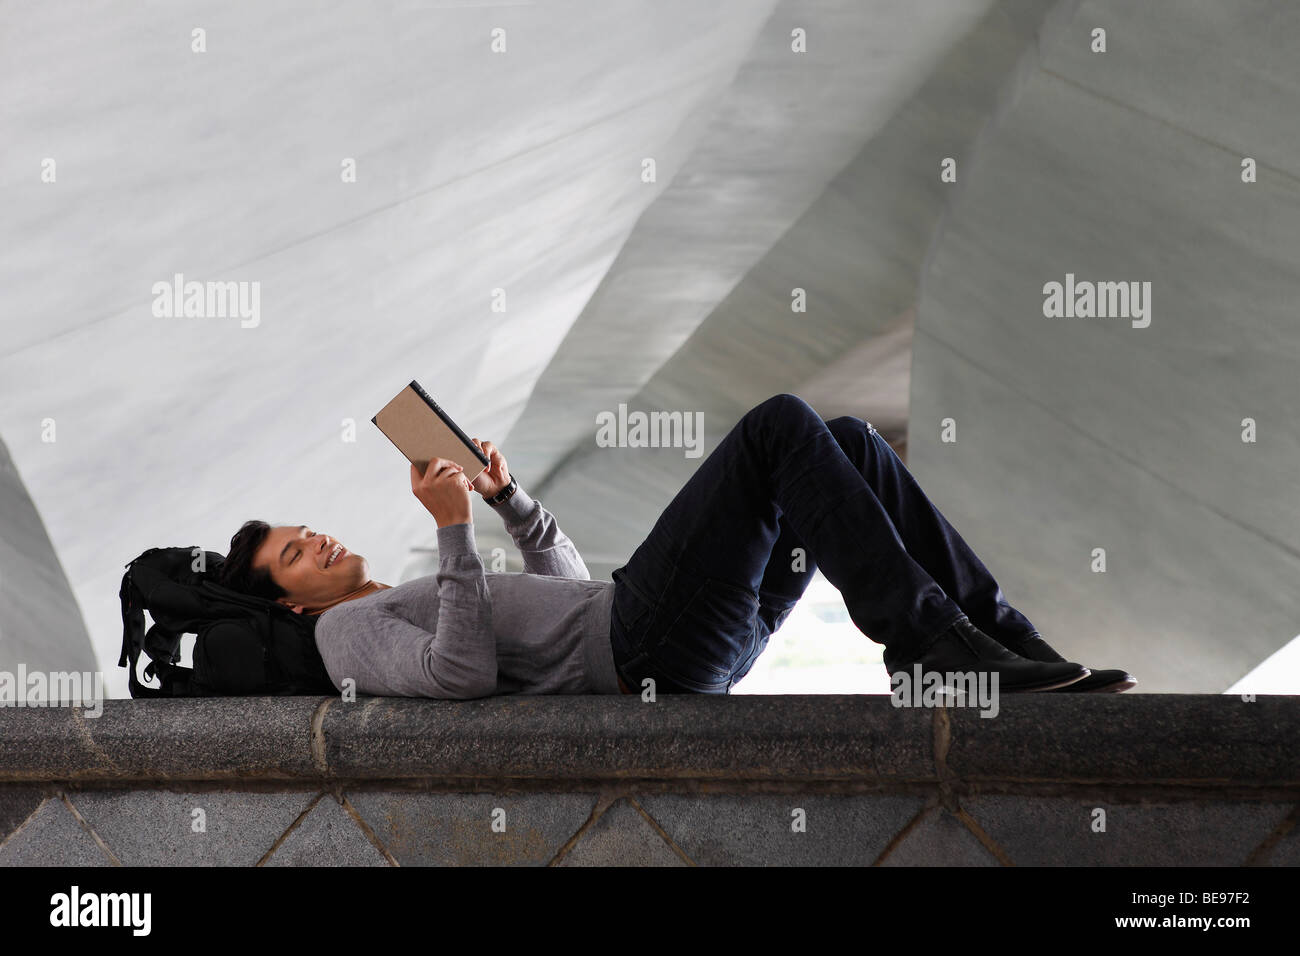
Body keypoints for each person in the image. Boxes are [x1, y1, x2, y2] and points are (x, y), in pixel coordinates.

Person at [217, 393, 1135, 699]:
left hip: (639, 632)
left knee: (849, 438)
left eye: (305, 531)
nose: (317, 540)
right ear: (292, 603)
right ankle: (927, 649)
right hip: (645, 645)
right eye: (296, 555)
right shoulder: (342, 636)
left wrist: (504, 501)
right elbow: (459, 678)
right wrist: (452, 531)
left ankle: (999, 640)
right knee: (778, 427)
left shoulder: (401, 591)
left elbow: (569, 597)